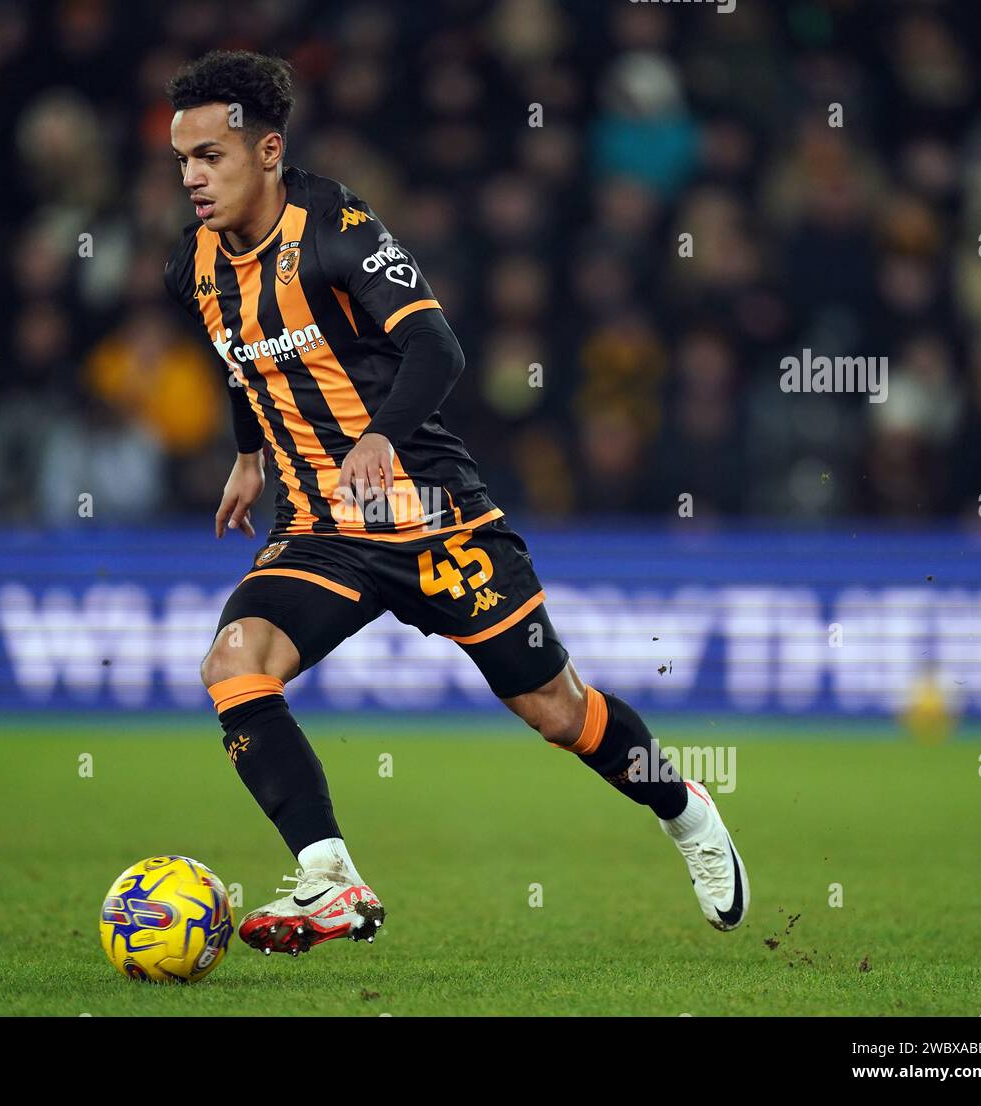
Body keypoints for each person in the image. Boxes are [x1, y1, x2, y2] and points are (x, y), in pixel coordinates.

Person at [163, 50, 748, 956]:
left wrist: (378, 437)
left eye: (211, 156)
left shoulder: (340, 230)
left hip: (432, 513)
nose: (194, 179)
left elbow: (438, 349)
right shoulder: (194, 267)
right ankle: (331, 878)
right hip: (322, 526)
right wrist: (248, 455)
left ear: (268, 150)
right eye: (183, 161)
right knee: (235, 662)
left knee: (559, 713)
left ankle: (683, 809)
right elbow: (243, 359)